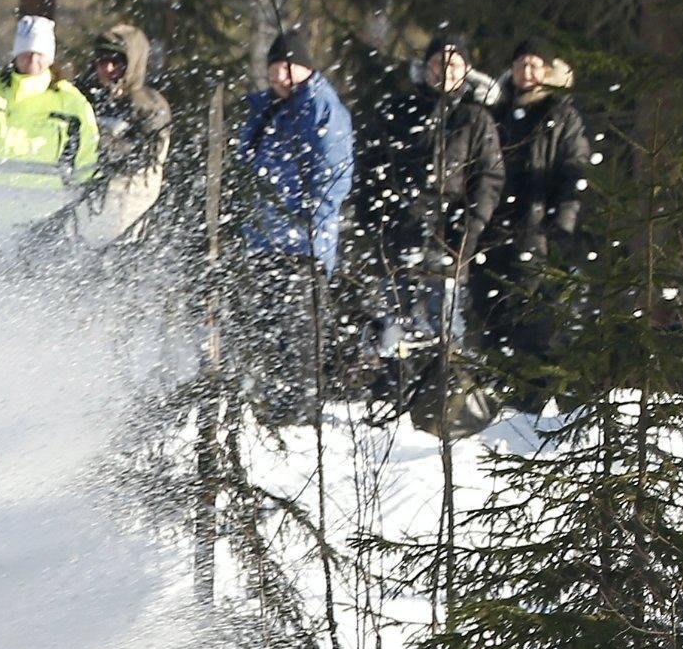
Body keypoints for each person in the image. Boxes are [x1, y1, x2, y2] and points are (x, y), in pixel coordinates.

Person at [353, 33, 504, 369]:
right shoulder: (397, 110)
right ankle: (396, 387)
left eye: (454, 64)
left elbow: (488, 179)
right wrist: (373, 218)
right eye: (438, 63)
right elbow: (369, 168)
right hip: (399, 235)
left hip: (450, 237)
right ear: (425, 68)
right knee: (395, 329)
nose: (445, 71)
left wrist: (470, 226)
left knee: (445, 328)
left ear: (466, 71)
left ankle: (446, 389)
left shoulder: (476, 119)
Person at [235, 26, 357, 419]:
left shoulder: (320, 107)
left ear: (305, 68)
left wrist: (309, 220)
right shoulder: (267, 108)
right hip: (265, 239)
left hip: (302, 244)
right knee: (271, 331)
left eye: (287, 69)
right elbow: (247, 166)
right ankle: (277, 408)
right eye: (274, 70)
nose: (280, 78)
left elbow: (334, 173)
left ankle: (301, 411)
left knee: (298, 336)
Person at [0, 14, 103, 238]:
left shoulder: (72, 104)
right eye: (26, 52)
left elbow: (86, 165)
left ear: (50, 57)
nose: (32, 60)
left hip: (50, 225)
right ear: (16, 54)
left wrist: (81, 215)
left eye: (40, 53)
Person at [487, 40, 596, 364]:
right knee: (492, 311)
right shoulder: (496, 110)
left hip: (540, 229)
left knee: (536, 315)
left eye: (534, 64)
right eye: (521, 64)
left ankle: (531, 380)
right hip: (496, 225)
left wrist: (563, 221)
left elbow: (575, 169)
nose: (527, 71)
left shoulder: (562, 114)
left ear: (548, 71)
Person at [61, 22, 173, 249]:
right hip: (83, 199)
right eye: (103, 61)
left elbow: (146, 156)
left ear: (132, 64)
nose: (108, 68)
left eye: (117, 62)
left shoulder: (149, 106)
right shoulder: (83, 96)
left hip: (129, 202)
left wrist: (106, 147)